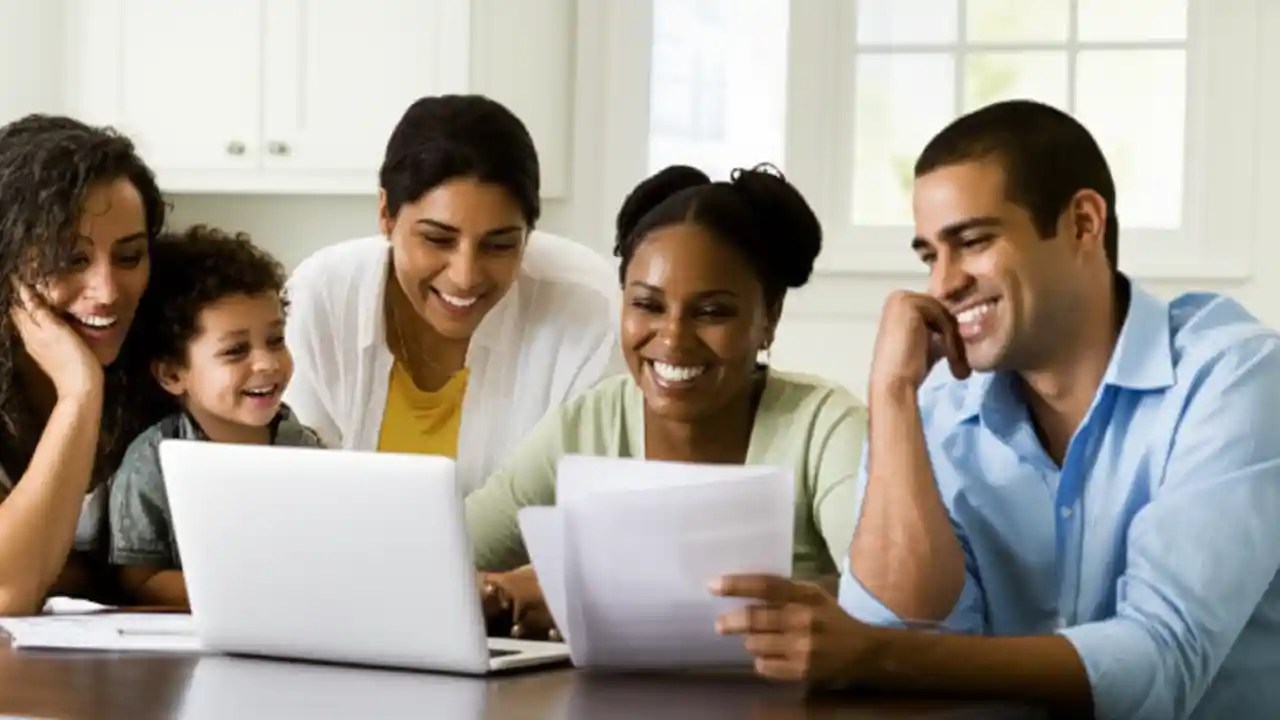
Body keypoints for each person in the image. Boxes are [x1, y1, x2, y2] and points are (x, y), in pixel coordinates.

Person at [710, 99, 1280, 719]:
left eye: (974, 242)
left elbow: (1163, 659)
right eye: (930, 256)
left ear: (1084, 224)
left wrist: (876, 654)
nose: (943, 284)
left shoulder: (1235, 376)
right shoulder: (933, 403)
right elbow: (905, 632)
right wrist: (891, 396)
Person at [467, 164, 868, 638]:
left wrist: (588, 591)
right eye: (648, 305)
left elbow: (884, 600)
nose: (673, 339)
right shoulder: (589, 422)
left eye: (712, 312)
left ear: (769, 318)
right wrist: (497, 592)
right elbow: (445, 558)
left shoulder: (826, 429)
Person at [283, 95, 620, 493]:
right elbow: (301, 487)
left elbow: (586, 510)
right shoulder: (321, 297)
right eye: (437, 239)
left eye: (499, 245)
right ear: (386, 215)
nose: (464, 277)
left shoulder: (588, 309)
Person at [0, 114, 170, 615]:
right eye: (71, 260)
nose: (108, 292)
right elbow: (7, 592)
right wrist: (79, 392)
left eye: (130, 256)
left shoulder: (168, 364)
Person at [108, 226, 323, 608]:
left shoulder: (305, 449)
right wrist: (251, 591)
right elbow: (141, 581)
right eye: (235, 350)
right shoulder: (152, 462)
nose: (267, 363)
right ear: (173, 375)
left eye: (275, 339)